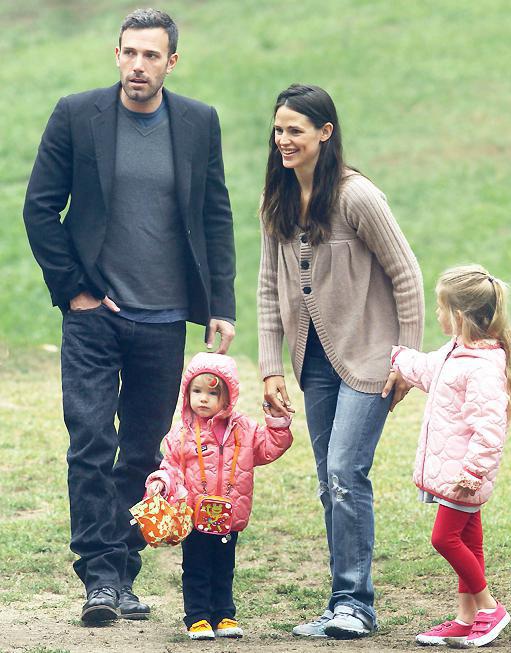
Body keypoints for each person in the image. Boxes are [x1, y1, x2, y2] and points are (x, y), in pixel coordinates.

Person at [22, 9, 235, 625]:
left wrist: (219, 302)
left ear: (172, 62)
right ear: (116, 55)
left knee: (144, 452)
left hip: (164, 318)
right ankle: (101, 577)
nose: (138, 66)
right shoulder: (76, 115)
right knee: (90, 441)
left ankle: (122, 572)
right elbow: (41, 210)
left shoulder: (198, 122)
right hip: (94, 316)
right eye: (129, 53)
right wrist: (76, 291)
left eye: (151, 56)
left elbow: (214, 215)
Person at [257, 84, 425, 639]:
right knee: (330, 484)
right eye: (278, 130)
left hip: (370, 358)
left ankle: (356, 603)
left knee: (345, 473)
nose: (284, 140)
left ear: (325, 133)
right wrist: (270, 365)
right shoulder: (278, 198)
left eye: (295, 131)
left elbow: (407, 276)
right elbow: (267, 286)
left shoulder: (358, 197)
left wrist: (406, 357)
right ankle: (340, 604)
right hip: (314, 364)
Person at [391, 264, 511, 647]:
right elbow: (427, 368)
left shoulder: (482, 367)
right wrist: (396, 357)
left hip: (464, 475)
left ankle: (488, 607)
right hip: (458, 471)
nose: (436, 314)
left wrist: (473, 472)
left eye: (440, 307)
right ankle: (465, 619)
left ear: (459, 315)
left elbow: (489, 430)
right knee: (470, 541)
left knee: (444, 538)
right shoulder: (457, 352)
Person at [145, 352, 293, 640]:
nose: (203, 399)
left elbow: (271, 447)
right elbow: (170, 466)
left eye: (212, 393)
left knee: (224, 568)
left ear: (229, 397)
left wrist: (277, 420)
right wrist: (161, 482)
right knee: (196, 568)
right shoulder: (181, 434)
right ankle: (198, 617)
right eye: (196, 391)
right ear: (186, 392)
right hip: (195, 516)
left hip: (229, 515)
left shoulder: (245, 430)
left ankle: (225, 614)